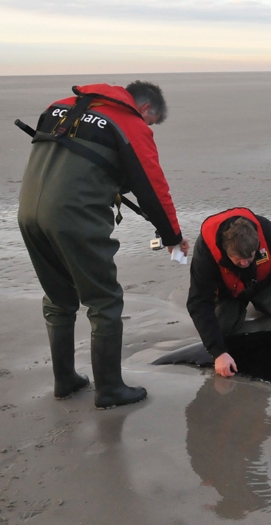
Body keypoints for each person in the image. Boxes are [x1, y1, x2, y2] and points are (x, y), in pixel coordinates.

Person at [17, 81, 189, 409]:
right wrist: (173, 237)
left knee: (58, 298)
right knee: (105, 302)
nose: (147, 128)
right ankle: (110, 390)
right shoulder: (129, 123)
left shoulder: (58, 107)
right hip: (74, 217)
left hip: (28, 212)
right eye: (151, 122)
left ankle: (65, 381)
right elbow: (153, 188)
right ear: (145, 109)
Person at [186, 208, 271, 378]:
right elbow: (198, 302)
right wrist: (218, 352)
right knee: (222, 329)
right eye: (238, 260)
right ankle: (238, 307)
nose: (244, 263)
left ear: (257, 245)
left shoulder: (267, 230)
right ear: (225, 250)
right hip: (229, 293)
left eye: (249, 258)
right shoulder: (205, 253)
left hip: (262, 283)